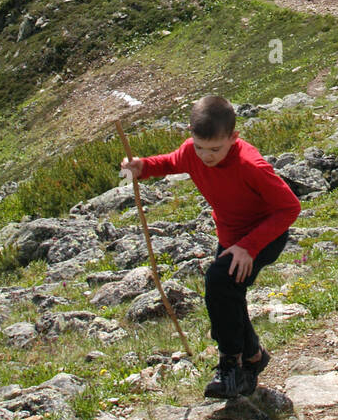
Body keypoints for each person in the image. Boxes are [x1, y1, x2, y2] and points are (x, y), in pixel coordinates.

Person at [121, 95, 300, 399]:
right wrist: (142, 167)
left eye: (216, 149)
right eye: (200, 147)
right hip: (231, 238)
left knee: (218, 282)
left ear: (233, 137)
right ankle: (253, 355)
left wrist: (249, 247)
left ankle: (232, 364)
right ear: (190, 133)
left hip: (264, 235)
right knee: (228, 293)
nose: (206, 156)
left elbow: (289, 208)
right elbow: (172, 161)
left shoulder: (250, 164)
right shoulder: (193, 152)